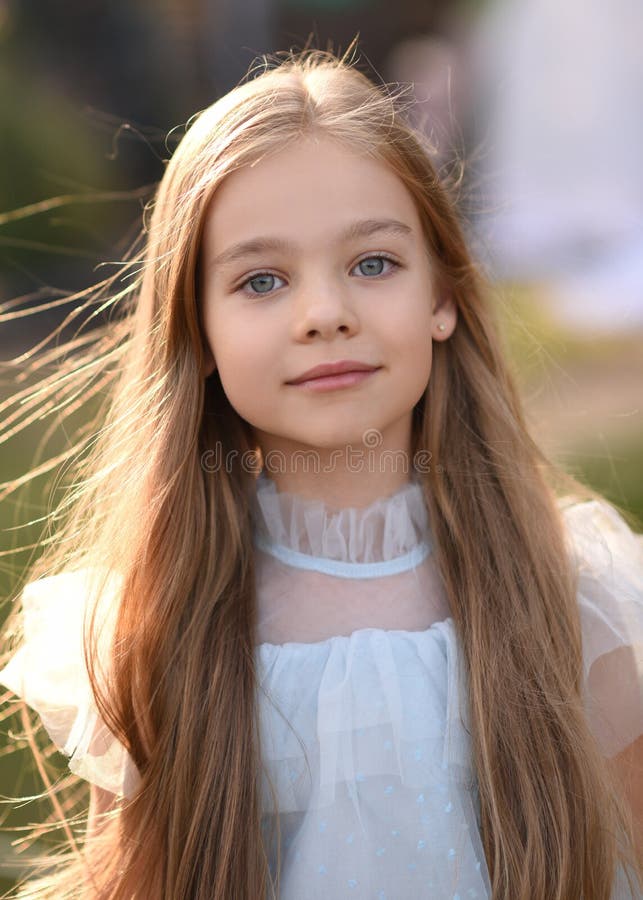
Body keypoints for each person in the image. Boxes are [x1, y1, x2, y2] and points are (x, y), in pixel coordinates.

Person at [0, 46, 641, 900]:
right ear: (197, 333)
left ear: (442, 296)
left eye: (372, 264)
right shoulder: (148, 629)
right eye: (261, 280)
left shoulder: (578, 603)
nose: (324, 315)